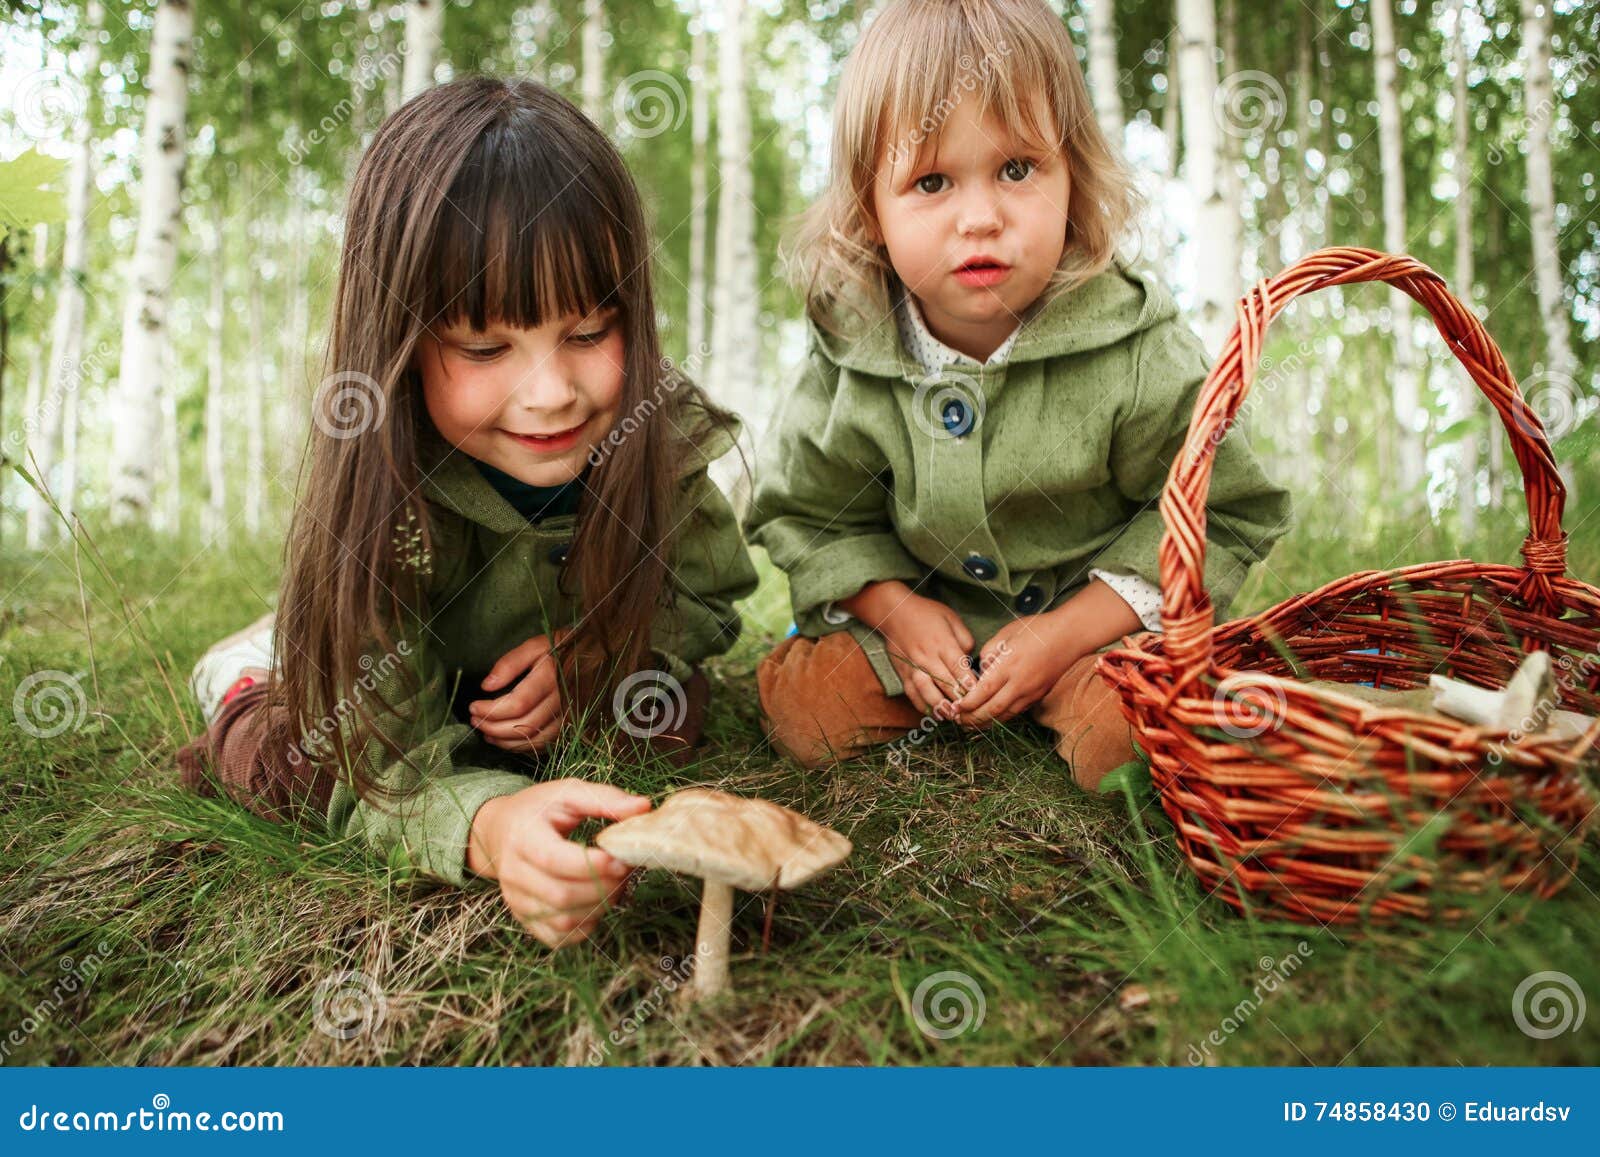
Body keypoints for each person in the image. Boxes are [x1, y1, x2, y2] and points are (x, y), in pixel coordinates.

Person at [179, 77, 757, 949]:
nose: (552, 393)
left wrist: (595, 656)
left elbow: (709, 599)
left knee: (673, 711)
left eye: (591, 332)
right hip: (383, 684)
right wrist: (489, 826)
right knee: (292, 760)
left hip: (531, 690)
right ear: (401, 347)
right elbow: (385, 766)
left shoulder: (656, 445)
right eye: (487, 347)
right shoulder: (382, 501)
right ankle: (251, 668)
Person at [745, 0, 1293, 786]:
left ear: (1074, 173)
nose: (980, 218)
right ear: (872, 209)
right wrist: (892, 611)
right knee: (812, 713)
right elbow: (806, 511)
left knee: (1126, 744)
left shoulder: (1134, 343)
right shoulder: (852, 351)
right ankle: (942, 692)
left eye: (1016, 169)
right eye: (931, 180)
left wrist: (1064, 635)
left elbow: (1220, 508)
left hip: (1096, 627)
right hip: (929, 630)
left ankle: (1070, 696)